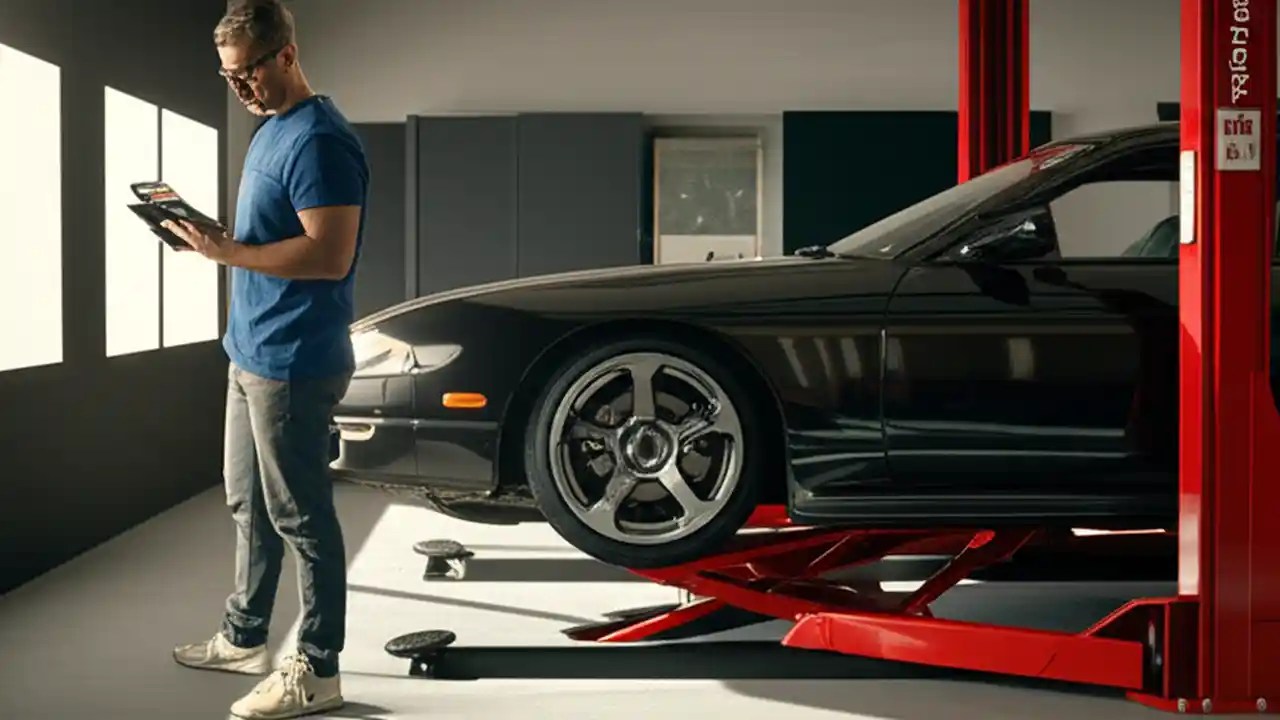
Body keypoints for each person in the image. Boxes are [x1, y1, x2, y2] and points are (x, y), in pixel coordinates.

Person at [163, 1, 368, 718]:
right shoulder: (270, 131)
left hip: (293, 360)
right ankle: (246, 635)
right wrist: (215, 238)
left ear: (286, 54)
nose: (240, 86)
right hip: (248, 349)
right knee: (248, 503)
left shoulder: (320, 141)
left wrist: (229, 253)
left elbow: (328, 253)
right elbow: (270, 234)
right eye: (228, 76)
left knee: (302, 516)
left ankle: (318, 667)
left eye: (248, 70)